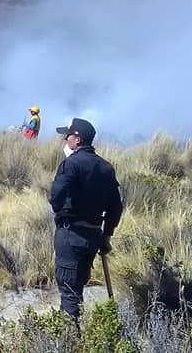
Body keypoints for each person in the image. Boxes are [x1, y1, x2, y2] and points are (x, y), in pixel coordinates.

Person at [50, 118, 123, 319]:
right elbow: (116, 207)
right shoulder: (106, 168)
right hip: (93, 236)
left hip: (71, 233)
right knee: (77, 286)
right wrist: (106, 236)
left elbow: (56, 196)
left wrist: (59, 213)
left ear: (78, 138)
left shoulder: (71, 164)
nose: (66, 139)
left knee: (69, 293)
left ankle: (70, 341)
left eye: (68, 135)